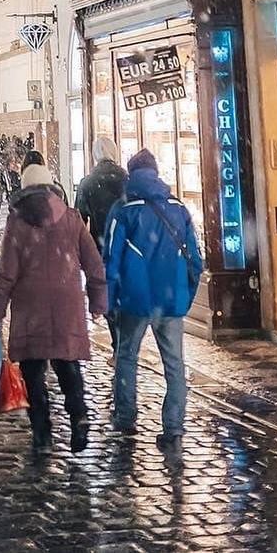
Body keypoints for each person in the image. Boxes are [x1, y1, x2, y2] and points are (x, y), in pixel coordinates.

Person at [0, 162, 107, 457]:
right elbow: (94, 264)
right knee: (68, 363)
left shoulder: (17, 222)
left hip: (30, 306)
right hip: (66, 301)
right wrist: (97, 302)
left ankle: (41, 430)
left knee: (32, 370)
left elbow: (7, 271)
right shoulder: (71, 218)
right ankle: (78, 415)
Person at [105, 148, 204, 450]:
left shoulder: (123, 209)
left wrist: (108, 300)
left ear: (130, 174)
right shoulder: (178, 209)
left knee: (127, 357)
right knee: (174, 364)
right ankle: (173, 426)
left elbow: (110, 258)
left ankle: (126, 417)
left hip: (134, 300)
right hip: (171, 298)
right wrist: (185, 296)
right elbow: (195, 261)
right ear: (157, 172)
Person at [75, 136, 127, 349]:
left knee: (107, 293)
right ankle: (124, 341)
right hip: (126, 246)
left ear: (95, 155)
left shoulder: (88, 182)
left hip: (101, 247)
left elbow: (80, 218)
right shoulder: (126, 179)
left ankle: (117, 340)